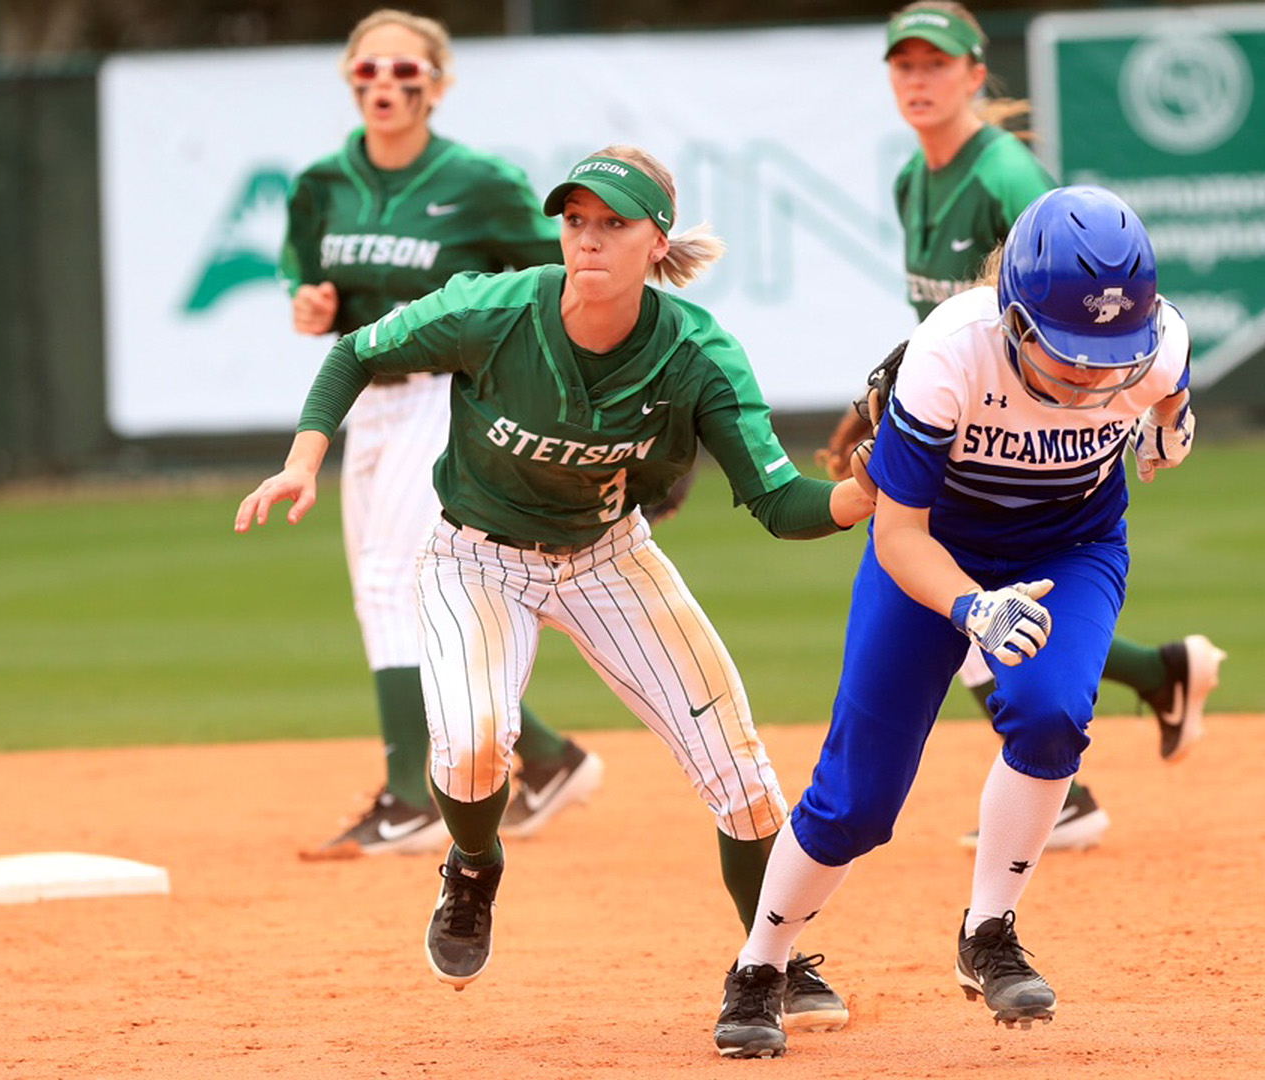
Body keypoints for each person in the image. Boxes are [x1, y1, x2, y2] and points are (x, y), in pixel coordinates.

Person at [238, 145, 873, 1029]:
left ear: (658, 242)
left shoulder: (698, 353)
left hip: (607, 558)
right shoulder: (495, 310)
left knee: (743, 773)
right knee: (470, 747)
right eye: (576, 220)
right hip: (473, 557)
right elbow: (355, 350)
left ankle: (772, 959)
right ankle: (472, 866)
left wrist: (862, 495)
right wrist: (303, 460)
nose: (589, 238)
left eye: (614, 223)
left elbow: (777, 501)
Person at [713, 184, 1197, 1057]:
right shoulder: (952, 355)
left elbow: (1169, 391)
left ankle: (989, 934)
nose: (1092, 376)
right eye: (1067, 352)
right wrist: (971, 605)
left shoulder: (1157, 344)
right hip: (934, 552)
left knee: (1053, 716)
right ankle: (760, 965)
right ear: (1013, 320)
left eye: (1111, 353)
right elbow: (897, 533)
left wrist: (1170, 423)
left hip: (1072, 548)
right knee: (858, 797)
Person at [815, 1, 1225, 852]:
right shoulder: (913, 179)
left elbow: (1083, 298)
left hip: (1036, 438)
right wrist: (872, 411)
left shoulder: (1005, 176)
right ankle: (1153, 681)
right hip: (959, 423)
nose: (918, 79)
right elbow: (938, 334)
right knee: (963, 599)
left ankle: (1088, 752)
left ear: (975, 73)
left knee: (967, 594)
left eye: (938, 63)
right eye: (905, 65)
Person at [278, 9, 600, 861]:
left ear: (438, 84)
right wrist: (311, 305)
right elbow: (309, 279)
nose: (386, 84)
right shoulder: (321, 183)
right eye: (370, 71)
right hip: (368, 395)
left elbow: (557, 267)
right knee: (385, 588)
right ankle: (546, 755)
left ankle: (410, 795)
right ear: (351, 81)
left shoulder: (479, 181)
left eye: (405, 71)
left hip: (445, 394)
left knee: (393, 583)